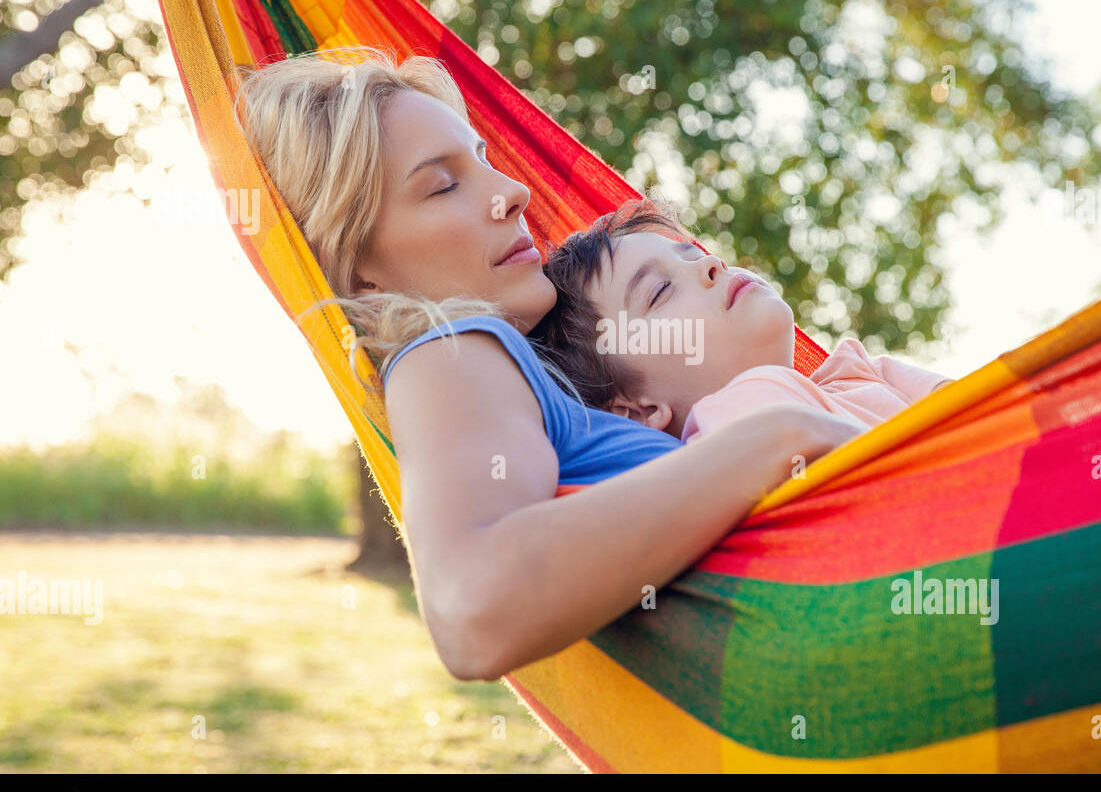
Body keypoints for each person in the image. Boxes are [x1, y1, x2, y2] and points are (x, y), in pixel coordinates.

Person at [235, 47, 865, 681]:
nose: (514, 191)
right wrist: (783, 435)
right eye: (444, 185)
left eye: (484, 159)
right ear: (361, 272)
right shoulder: (446, 353)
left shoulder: (540, 387)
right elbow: (473, 614)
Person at [532, 197, 954, 440]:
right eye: (660, 291)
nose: (712, 263)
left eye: (695, 254)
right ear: (637, 411)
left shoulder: (861, 369)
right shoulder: (730, 419)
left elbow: (1005, 413)